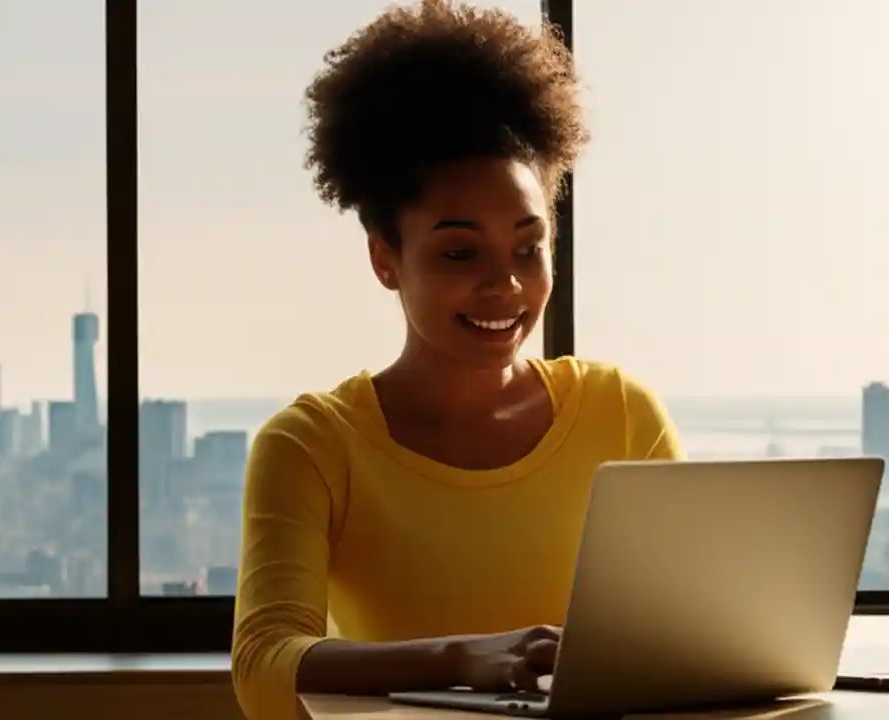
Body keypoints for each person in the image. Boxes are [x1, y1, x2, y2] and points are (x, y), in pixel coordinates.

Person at [229, 2, 683, 718]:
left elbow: (687, 638)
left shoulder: (621, 416)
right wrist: (467, 659)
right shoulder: (312, 445)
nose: (504, 284)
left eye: (528, 247)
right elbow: (263, 666)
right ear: (386, 258)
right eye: (459, 251)